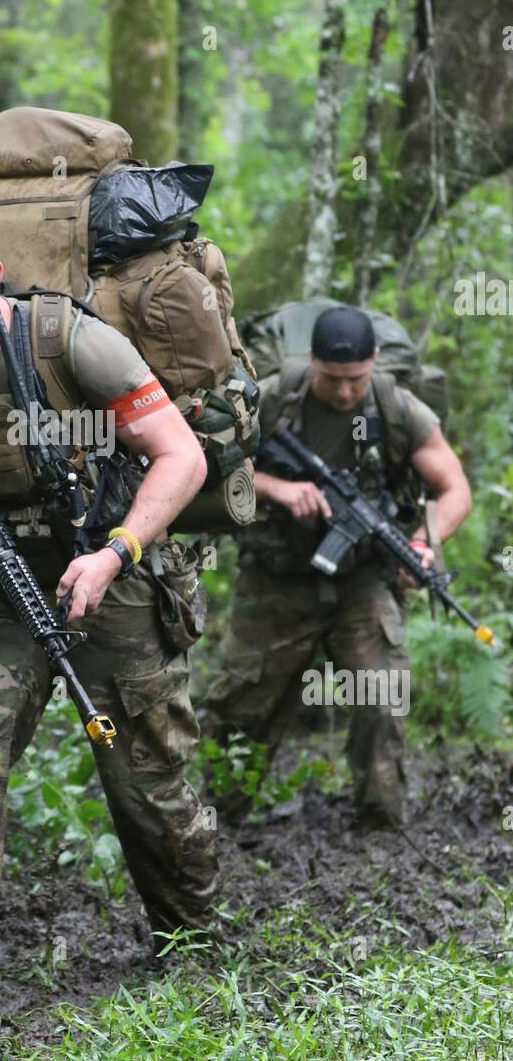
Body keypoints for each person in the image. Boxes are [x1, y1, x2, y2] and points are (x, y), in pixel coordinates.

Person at [0, 204, 219, 1009]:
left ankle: (194, 950)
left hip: (111, 571)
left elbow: (181, 456)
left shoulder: (71, 343)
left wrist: (116, 551)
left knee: (147, 774)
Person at [202, 304, 472, 828]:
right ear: (312, 362)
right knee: (245, 701)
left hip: (361, 579)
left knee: (382, 691)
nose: (346, 392)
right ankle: (220, 819)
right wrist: (278, 487)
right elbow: (209, 464)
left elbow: (454, 487)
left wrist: (422, 544)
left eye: (356, 379)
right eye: (333, 379)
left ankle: (380, 822)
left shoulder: (396, 406)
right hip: (279, 576)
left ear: (373, 363)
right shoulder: (276, 397)